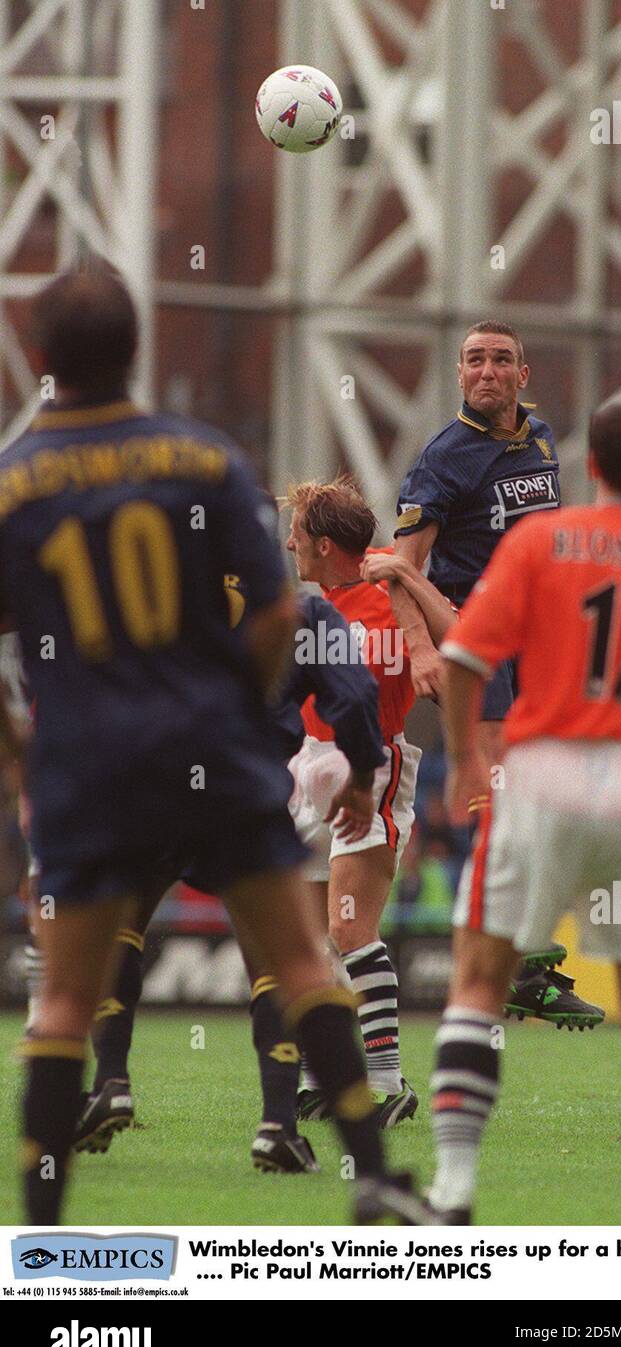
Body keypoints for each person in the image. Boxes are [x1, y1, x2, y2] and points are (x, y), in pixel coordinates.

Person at [2, 268, 424, 1225]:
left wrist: (22, 751)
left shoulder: (14, 480)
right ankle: (377, 1180)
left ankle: (39, 1229)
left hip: (89, 766)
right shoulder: (201, 461)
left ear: (37, 359)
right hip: (212, 755)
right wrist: (234, 712)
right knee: (302, 962)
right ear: (138, 349)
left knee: (67, 996)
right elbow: (283, 611)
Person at [431, 398, 621, 1224]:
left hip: (542, 773)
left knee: (479, 978)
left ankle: (453, 1191)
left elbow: (466, 655)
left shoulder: (539, 541)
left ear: (588, 466)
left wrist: (469, 757)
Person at [72, 588, 387, 1178]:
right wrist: (363, 777)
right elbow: (357, 692)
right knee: (280, 959)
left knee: (122, 928)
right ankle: (279, 1128)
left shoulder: (145, 594)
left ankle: (111, 1080)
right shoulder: (300, 611)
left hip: (151, 784)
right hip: (247, 792)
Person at [387, 319, 604, 1029]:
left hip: (536, 645)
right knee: (498, 797)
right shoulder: (444, 459)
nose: (486, 370)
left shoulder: (537, 438)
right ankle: (515, 966)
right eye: (474, 360)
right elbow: (398, 568)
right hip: (477, 644)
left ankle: (515, 962)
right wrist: (421, 648)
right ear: (458, 375)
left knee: (531, 799)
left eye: (500, 360)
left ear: (523, 374)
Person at [285, 478, 420, 1125]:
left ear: (325, 545)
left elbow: (433, 664)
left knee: (347, 928)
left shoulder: (389, 601)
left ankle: (390, 1086)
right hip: (310, 764)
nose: (289, 543)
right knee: (311, 940)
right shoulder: (323, 606)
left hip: (372, 765)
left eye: (299, 535)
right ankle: (321, 1080)